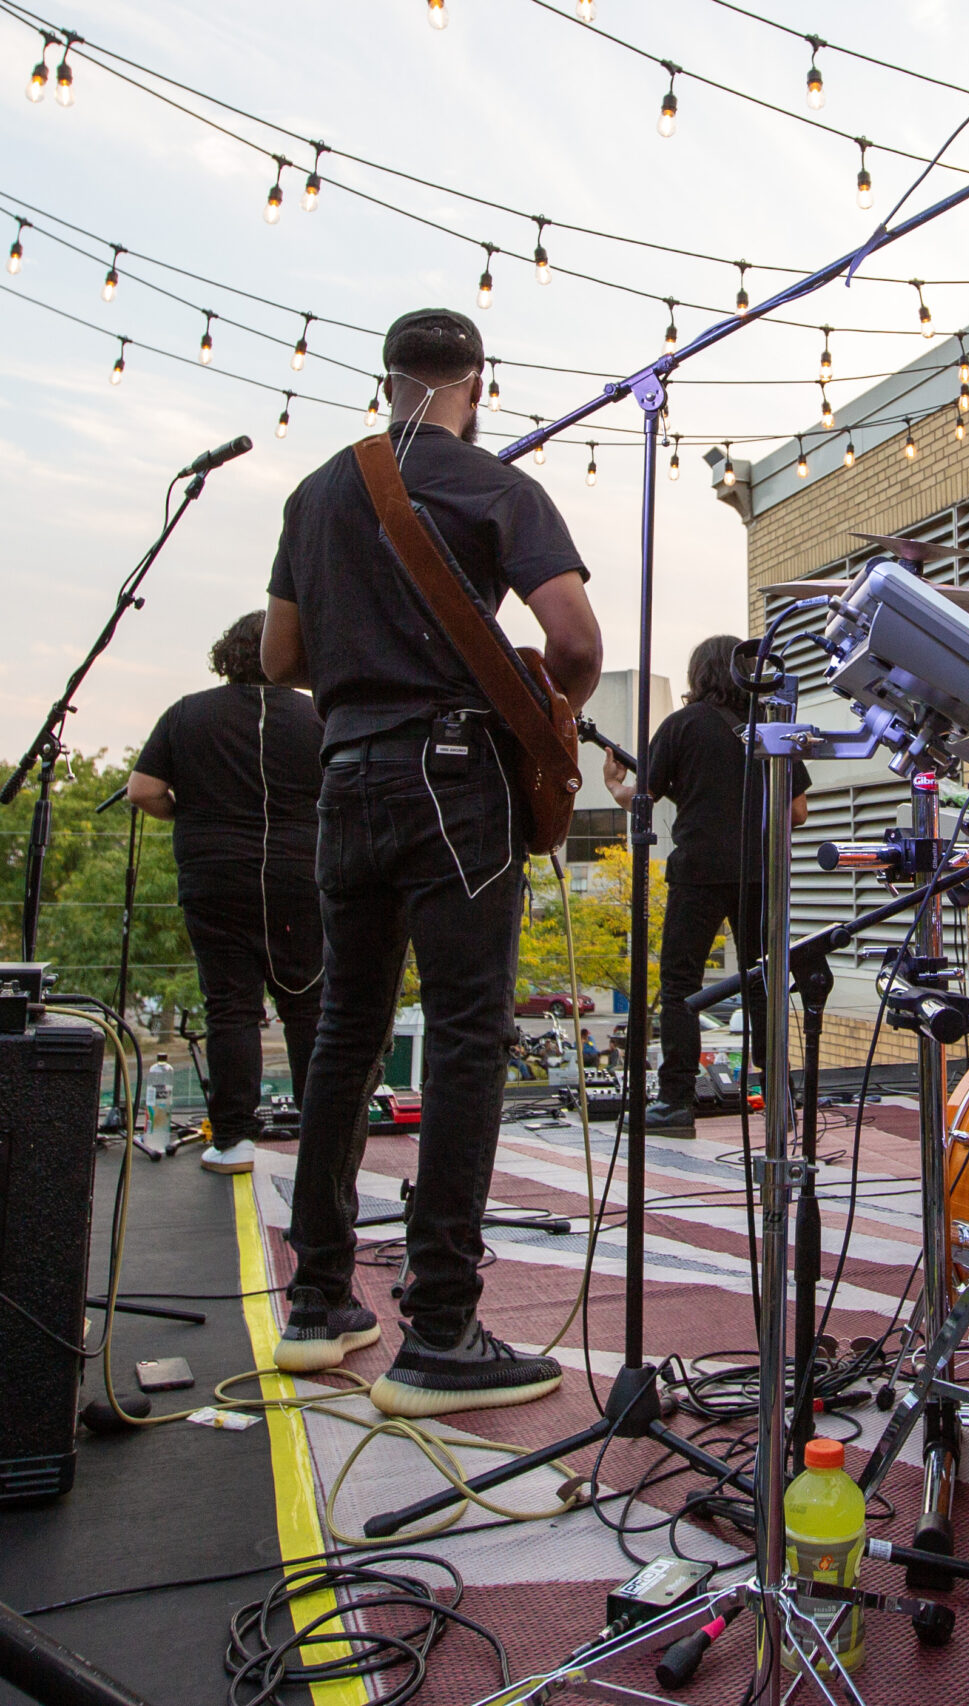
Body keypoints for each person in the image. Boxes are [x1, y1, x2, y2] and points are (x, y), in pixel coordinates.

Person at [260, 307, 604, 1414]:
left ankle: (317, 1303)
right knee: (463, 1035)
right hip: (452, 780)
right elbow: (577, 640)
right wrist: (546, 707)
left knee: (344, 1032)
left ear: (387, 378)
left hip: (344, 775)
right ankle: (442, 1329)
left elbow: (280, 654)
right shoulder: (496, 486)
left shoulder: (317, 491)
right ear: (477, 383)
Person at [126, 611, 325, 1176]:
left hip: (214, 875)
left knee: (231, 1007)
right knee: (308, 1006)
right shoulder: (319, 715)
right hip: (299, 875)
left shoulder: (186, 713)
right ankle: (323, 1141)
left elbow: (142, 791)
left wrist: (190, 813)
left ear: (227, 655)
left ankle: (234, 1141)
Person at [602, 634, 810, 1131]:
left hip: (697, 872)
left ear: (698, 675)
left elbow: (644, 797)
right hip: (760, 872)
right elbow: (798, 811)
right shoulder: (769, 727)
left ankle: (676, 1101)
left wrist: (614, 786)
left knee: (681, 984)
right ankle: (779, 1095)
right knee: (763, 981)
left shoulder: (681, 725)